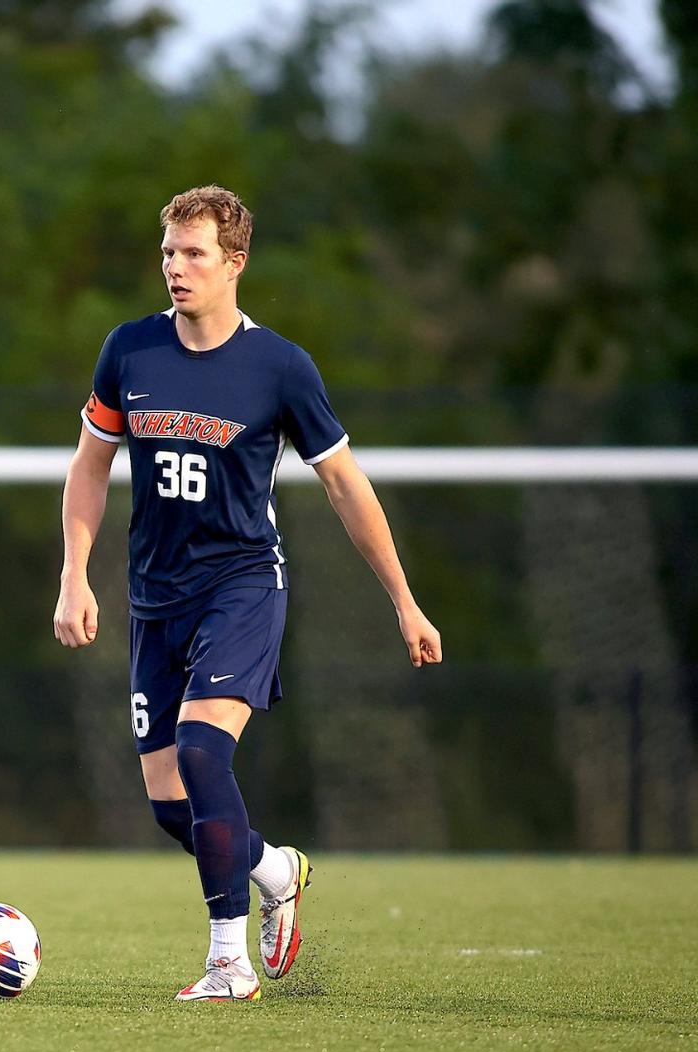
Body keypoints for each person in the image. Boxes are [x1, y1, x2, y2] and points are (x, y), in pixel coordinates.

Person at [52, 185, 442, 1002]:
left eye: (194, 253)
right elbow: (91, 467)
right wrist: (74, 574)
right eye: (168, 252)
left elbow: (344, 485)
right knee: (170, 807)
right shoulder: (129, 351)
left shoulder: (280, 367)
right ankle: (274, 869)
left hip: (242, 586)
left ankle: (228, 964)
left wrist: (404, 600)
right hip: (155, 598)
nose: (176, 268)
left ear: (236, 263)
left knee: (202, 754)